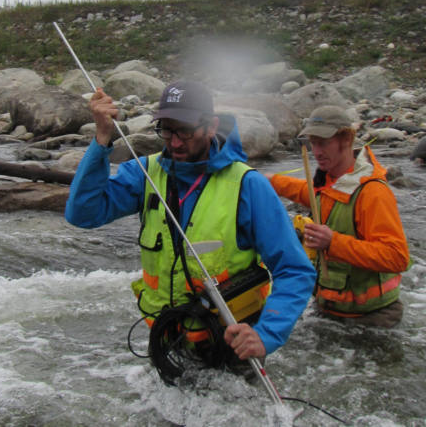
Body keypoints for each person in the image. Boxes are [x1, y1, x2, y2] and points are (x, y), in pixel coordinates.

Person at [64, 80, 315, 368]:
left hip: (231, 345)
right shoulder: (144, 173)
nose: (175, 141)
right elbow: (82, 213)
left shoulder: (248, 186)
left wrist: (267, 335)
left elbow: (295, 269)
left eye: (185, 130)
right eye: (167, 130)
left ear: (211, 126)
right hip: (167, 343)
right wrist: (102, 140)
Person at [267, 105, 409, 328]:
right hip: (330, 312)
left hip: (373, 319)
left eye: (323, 143)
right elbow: (311, 193)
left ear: (346, 139)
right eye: (313, 143)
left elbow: (397, 257)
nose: (317, 151)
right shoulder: (332, 182)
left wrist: (333, 242)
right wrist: (269, 181)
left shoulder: (373, 192)